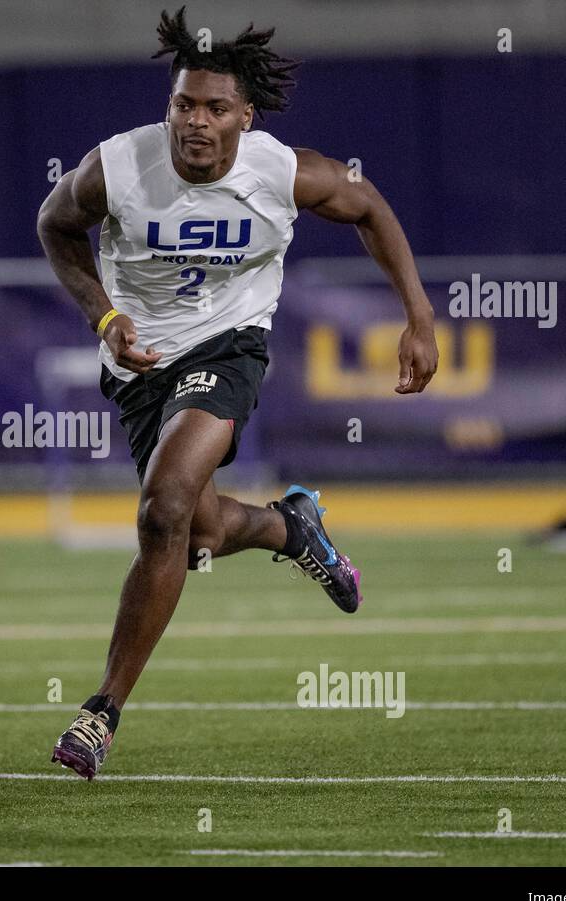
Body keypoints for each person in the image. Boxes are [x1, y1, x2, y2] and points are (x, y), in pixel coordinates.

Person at [36, 8, 438, 779]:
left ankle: (100, 713)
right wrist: (106, 317)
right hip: (139, 365)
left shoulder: (281, 171)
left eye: (216, 108)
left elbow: (371, 207)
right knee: (196, 531)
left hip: (230, 346)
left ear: (243, 117)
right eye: (184, 104)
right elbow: (56, 225)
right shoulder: (118, 167)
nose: (196, 121)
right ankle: (293, 529)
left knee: (163, 508)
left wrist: (418, 315)